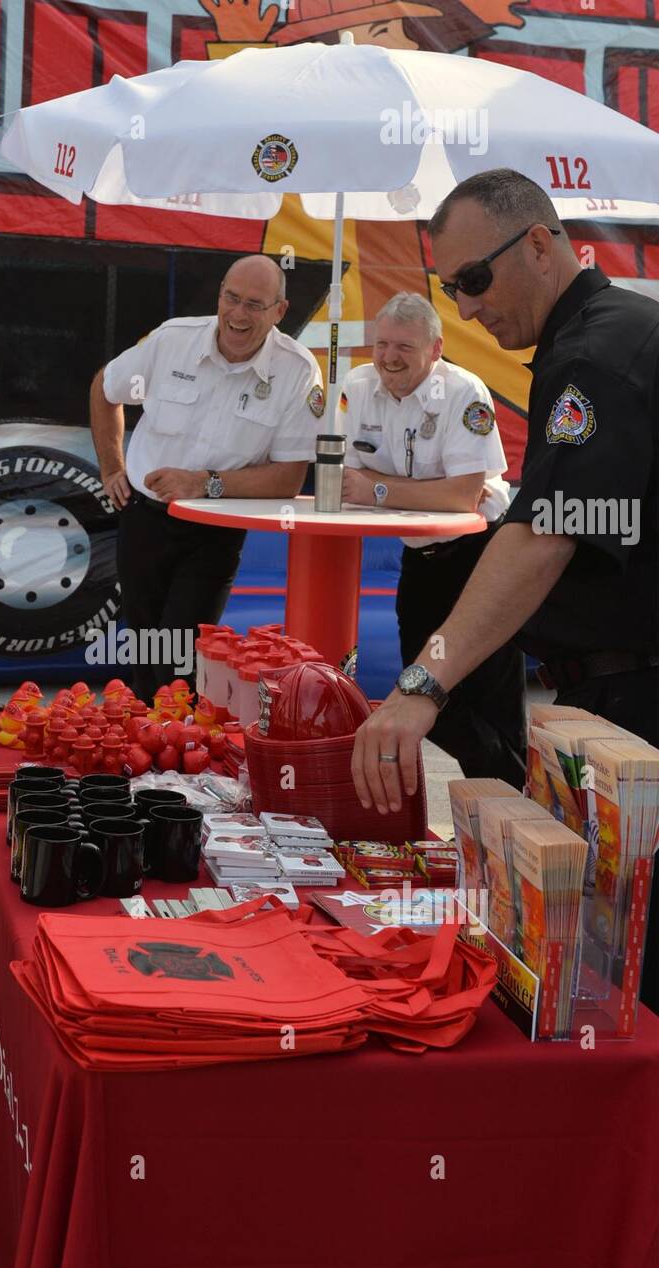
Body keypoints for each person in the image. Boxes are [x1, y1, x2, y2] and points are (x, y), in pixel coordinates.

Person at [351, 168, 659, 1014]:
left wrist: (422, 683)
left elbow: (540, 534)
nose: (467, 308)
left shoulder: (596, 354)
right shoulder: (602, 336)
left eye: (475, 281)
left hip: (637, 692)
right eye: (450, 289)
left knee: (631, 971)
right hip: (608, 682)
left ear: (538, 244)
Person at [90, 254, 324, 701]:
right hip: (143, 516)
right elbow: (105, 389)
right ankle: (149, 763)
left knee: (178, 659)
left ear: (280, 311)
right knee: (143, 652)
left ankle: (176, 756)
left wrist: (205, 483)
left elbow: (288, 479)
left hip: (216, 530)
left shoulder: (297, 371)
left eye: (255, 304)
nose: (238, 314)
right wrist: (111, 468)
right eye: (231, 298)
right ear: (219, 295)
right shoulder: (173, 339)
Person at [337, 291, 525, 786]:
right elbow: (340, 483)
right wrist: (422, 494)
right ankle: (496, 787)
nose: (389, 357)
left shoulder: (465, 392)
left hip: (481, 555)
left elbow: (464, 498)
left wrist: (381, 490)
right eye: (381, 344)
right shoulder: (356, 388)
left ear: (436, 349)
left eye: (404, 346)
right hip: (419, 557)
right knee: (420, 684)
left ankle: (512, 803)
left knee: (491, 696)